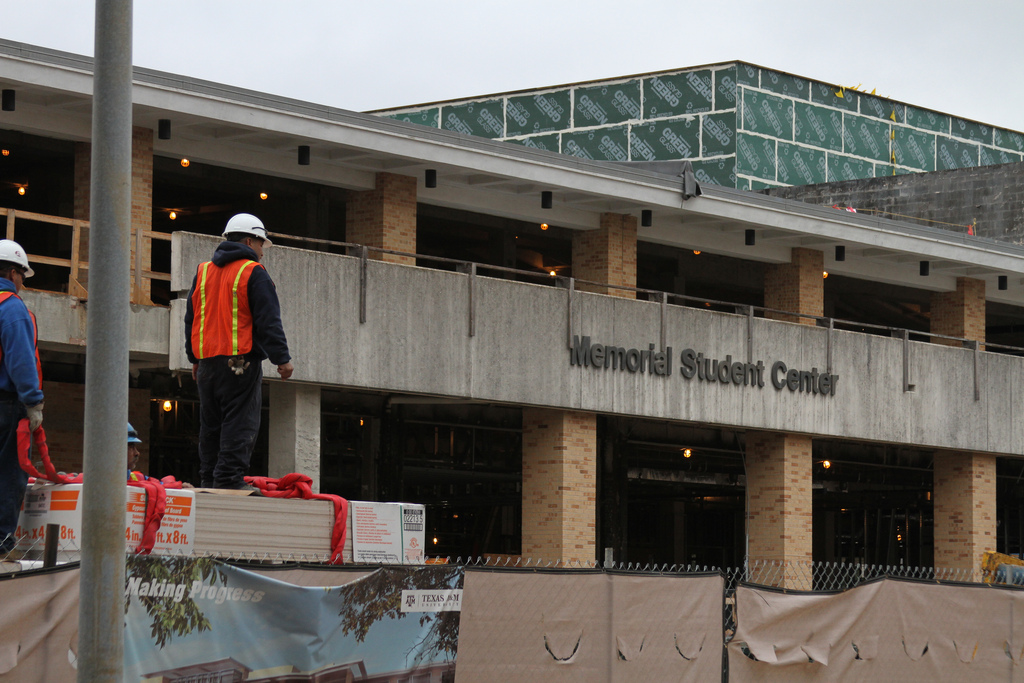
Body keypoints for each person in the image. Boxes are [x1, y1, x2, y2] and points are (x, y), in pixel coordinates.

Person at [183, 214, 293, 492]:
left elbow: (191, 318)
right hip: (239, 363)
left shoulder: (204, 271)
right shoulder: (253, 272)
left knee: (211, 425)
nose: (261, 250)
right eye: (260, 243)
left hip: (207, 364)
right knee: (239, 423)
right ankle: (229, 480)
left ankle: (209, 479)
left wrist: (194, 358)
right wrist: (282, 359)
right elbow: (268, 320)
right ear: (248, 240)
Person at [0, 240, 43, 553]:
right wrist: (33, 402)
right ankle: (1, 540)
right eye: (22, 275)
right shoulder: (12, 307)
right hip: (5, 405)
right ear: (13, 272)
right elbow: (21, 361)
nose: (23, 283)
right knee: (9, 473)